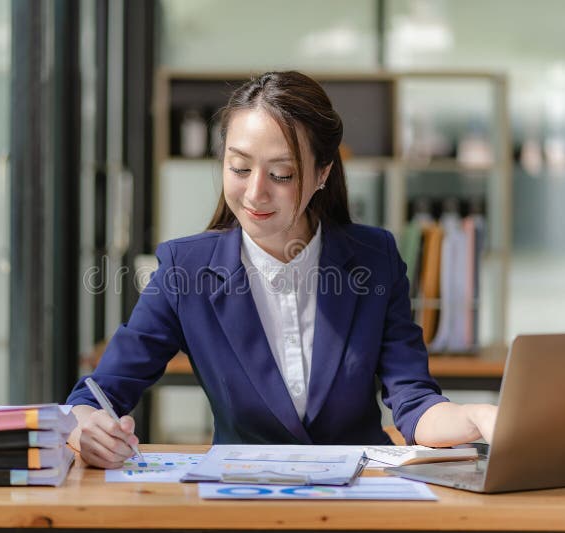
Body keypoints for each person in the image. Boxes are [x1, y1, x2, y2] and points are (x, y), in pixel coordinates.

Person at [66, 70, 498, 469]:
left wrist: (475, 416)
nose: (255, 192)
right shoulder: (187, 269)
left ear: (322, 173)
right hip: (241, 504)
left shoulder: (374, 258)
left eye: (282, 174)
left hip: (362, 504)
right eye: (239, 167)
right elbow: (98, 394)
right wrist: (87, 426)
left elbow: (414, 403)